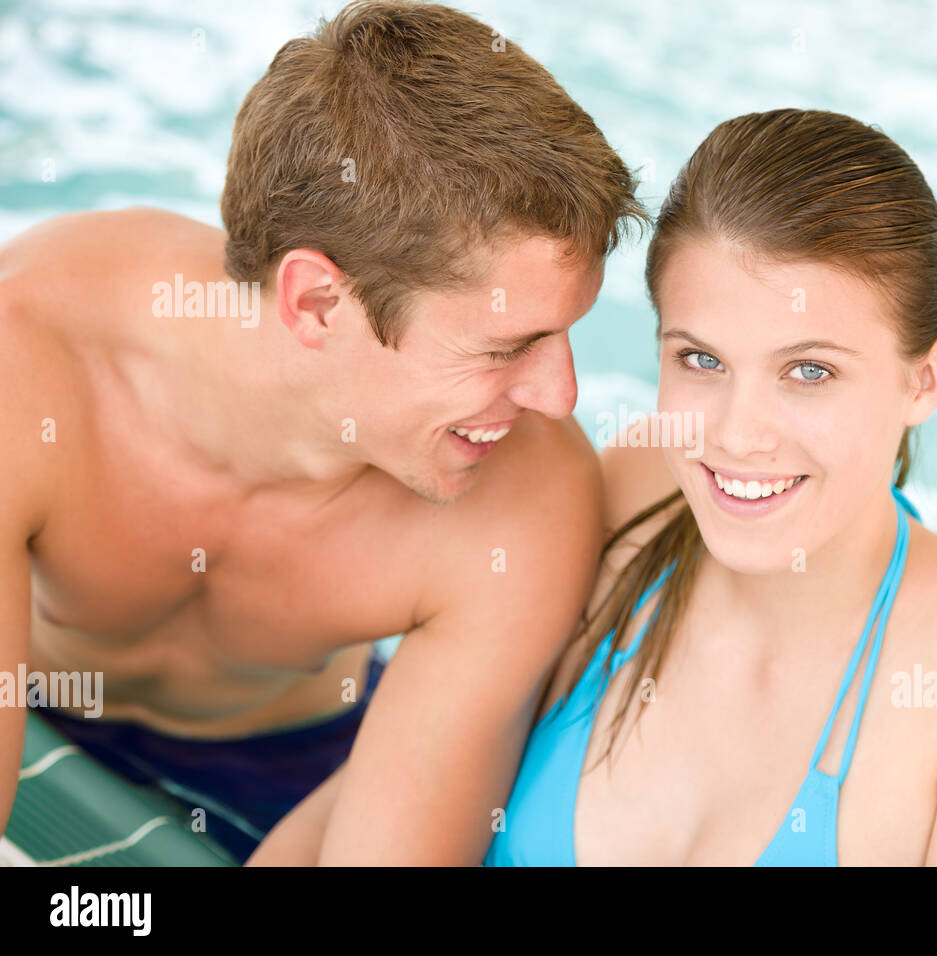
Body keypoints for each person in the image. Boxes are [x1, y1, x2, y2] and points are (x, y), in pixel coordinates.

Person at [0, 0, 647, 864]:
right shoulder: (33, 355)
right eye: (505, 348)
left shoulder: (527, 503)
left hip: (291, 770)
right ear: (317, 301)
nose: (559, 397)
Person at [482, 109, 937, 866]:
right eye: (701, 361)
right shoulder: (636, 496)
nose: (737, 435)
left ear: (925, 380)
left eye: (809, 371)